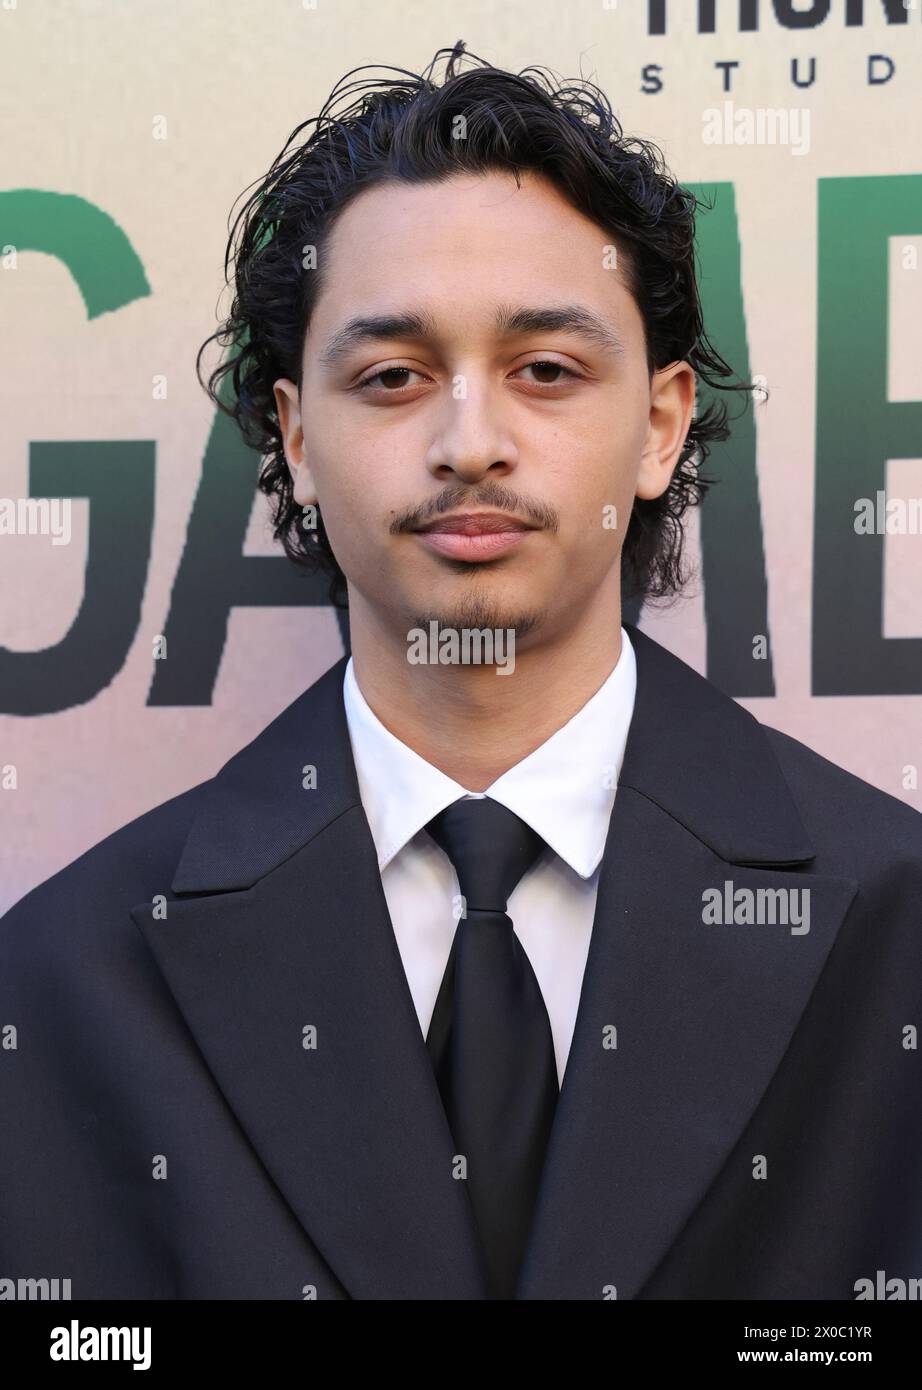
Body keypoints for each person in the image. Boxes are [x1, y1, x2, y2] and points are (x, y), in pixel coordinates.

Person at [2, 41, 920, 1303]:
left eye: (545, 370)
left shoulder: (897, 931)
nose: (469, 443)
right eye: (393, 377)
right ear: (298, 437)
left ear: (656, 427)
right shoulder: (65, 975)